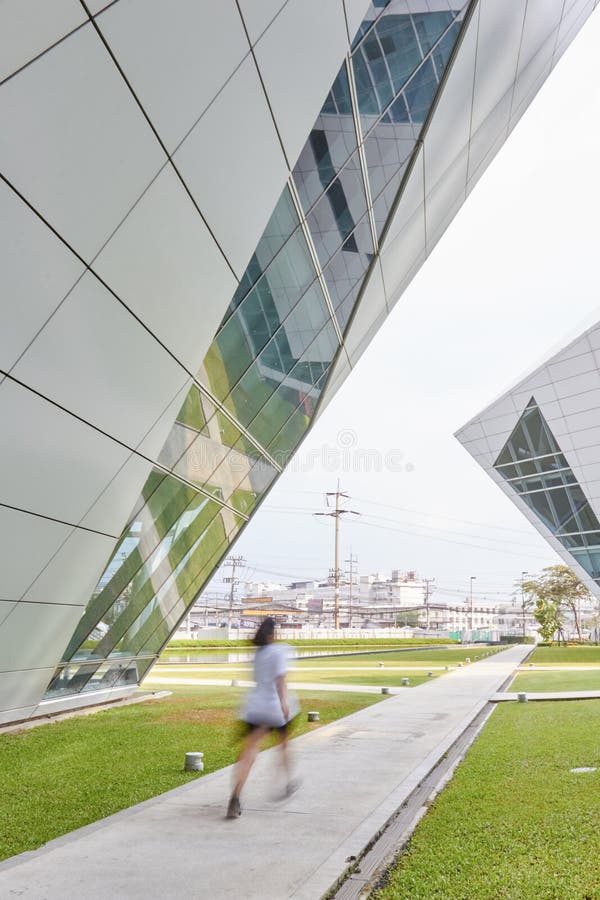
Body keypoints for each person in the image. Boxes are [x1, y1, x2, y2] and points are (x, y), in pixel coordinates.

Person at [227, 617, 299, 818]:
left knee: (249, 752)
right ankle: (288, 781)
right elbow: (281, 680)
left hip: (255, 706)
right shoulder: (279, 651)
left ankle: (235, 797)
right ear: (273, 633)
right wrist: (284, 704)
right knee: (284, 745)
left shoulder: (258, 654)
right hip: (275, 708)